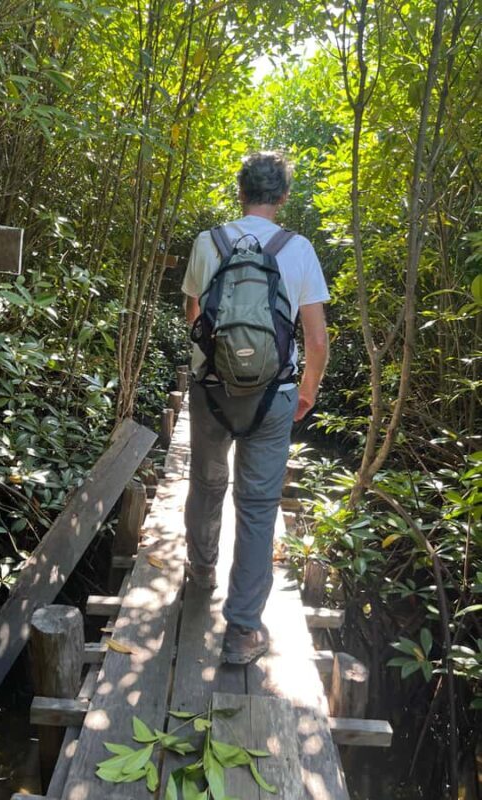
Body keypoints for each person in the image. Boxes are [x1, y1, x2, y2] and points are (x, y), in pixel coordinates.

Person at [181, 150, 330, 664]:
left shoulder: (208, 242)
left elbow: (194, 315)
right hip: (275, 395)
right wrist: (305, 390)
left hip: (211, 391)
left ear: (240, 191)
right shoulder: (299, 249)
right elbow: (315, 339)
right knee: (259, 505)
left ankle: (201, 571)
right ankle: (243, 630)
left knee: (206, 483)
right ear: (283, 196)